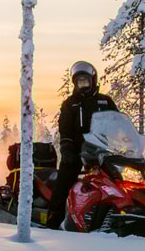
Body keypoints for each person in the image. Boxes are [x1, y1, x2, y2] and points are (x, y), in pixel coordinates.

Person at [47, 61, 118, 229]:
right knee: (64, 180)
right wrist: (67, 148)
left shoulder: (105, 102)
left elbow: (117, 123)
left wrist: (125, 141)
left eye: (85, 81)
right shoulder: (70, 104)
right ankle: (53, 221)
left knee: (121, 178)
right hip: (78, 153)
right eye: (79, 81)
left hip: (103, 151)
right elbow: (64, 129)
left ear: (93, 80)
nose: (83, 84)